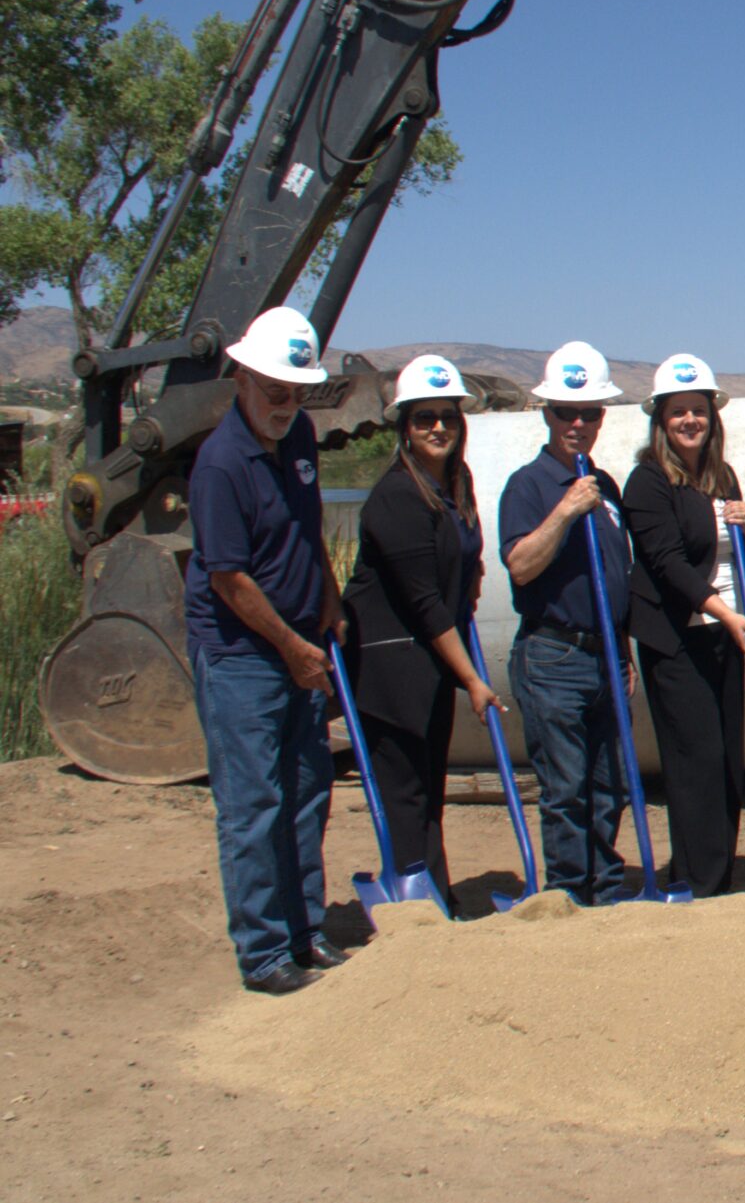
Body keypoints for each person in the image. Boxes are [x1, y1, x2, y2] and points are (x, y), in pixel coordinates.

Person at [185, 306, 345, 993]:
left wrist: (330, 600)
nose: (287, 404)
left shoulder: (301, 435)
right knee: (255, 805)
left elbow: (306, 533)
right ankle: (264, 952)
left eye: (297, 391)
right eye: (275, 390)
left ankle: (307, 931)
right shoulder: (220, 465)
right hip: (244, 655)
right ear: (243, 378)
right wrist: (290, 648)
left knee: (309, 793)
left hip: (301, 642)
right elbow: (229, 577)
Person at [340, 353, 500, 905]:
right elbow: (425, 603)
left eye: (448, 417)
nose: (438, 428)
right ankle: (413, 895)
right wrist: (474, 680)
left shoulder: (457, 483)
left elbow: (462, 561)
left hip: (427, 665)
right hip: (389, 668)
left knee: (429, 787)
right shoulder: (395, 498)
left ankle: (436, 896)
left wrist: (473, 575)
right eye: (424, 418)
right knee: (405, 791)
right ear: (403, 428)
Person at [621, 354, 745, 897]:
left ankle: (715, 874)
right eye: (678, 411)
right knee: (695, 761)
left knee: (727, 760)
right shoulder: (648, 482)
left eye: (698, 411)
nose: (689, 421)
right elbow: (666, 563)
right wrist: (725, 613)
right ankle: (697, 883)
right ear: (660, 420)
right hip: (677, 639)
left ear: (712, 418)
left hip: (721, 635)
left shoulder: (719, 477)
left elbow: (743, 552)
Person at [498, 341, 635, 905]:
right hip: (553, 656)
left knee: (610, 785)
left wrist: (622, 650)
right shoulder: (528, 486)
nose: (578, 423)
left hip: (603, 655)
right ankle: (567, 894)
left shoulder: (605, 485)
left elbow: (616, 572)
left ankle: (604, 889)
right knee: (566, 787)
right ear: (545, 412)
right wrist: (564, 511)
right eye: (565, 411)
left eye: (590, 413)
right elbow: (522, 567)